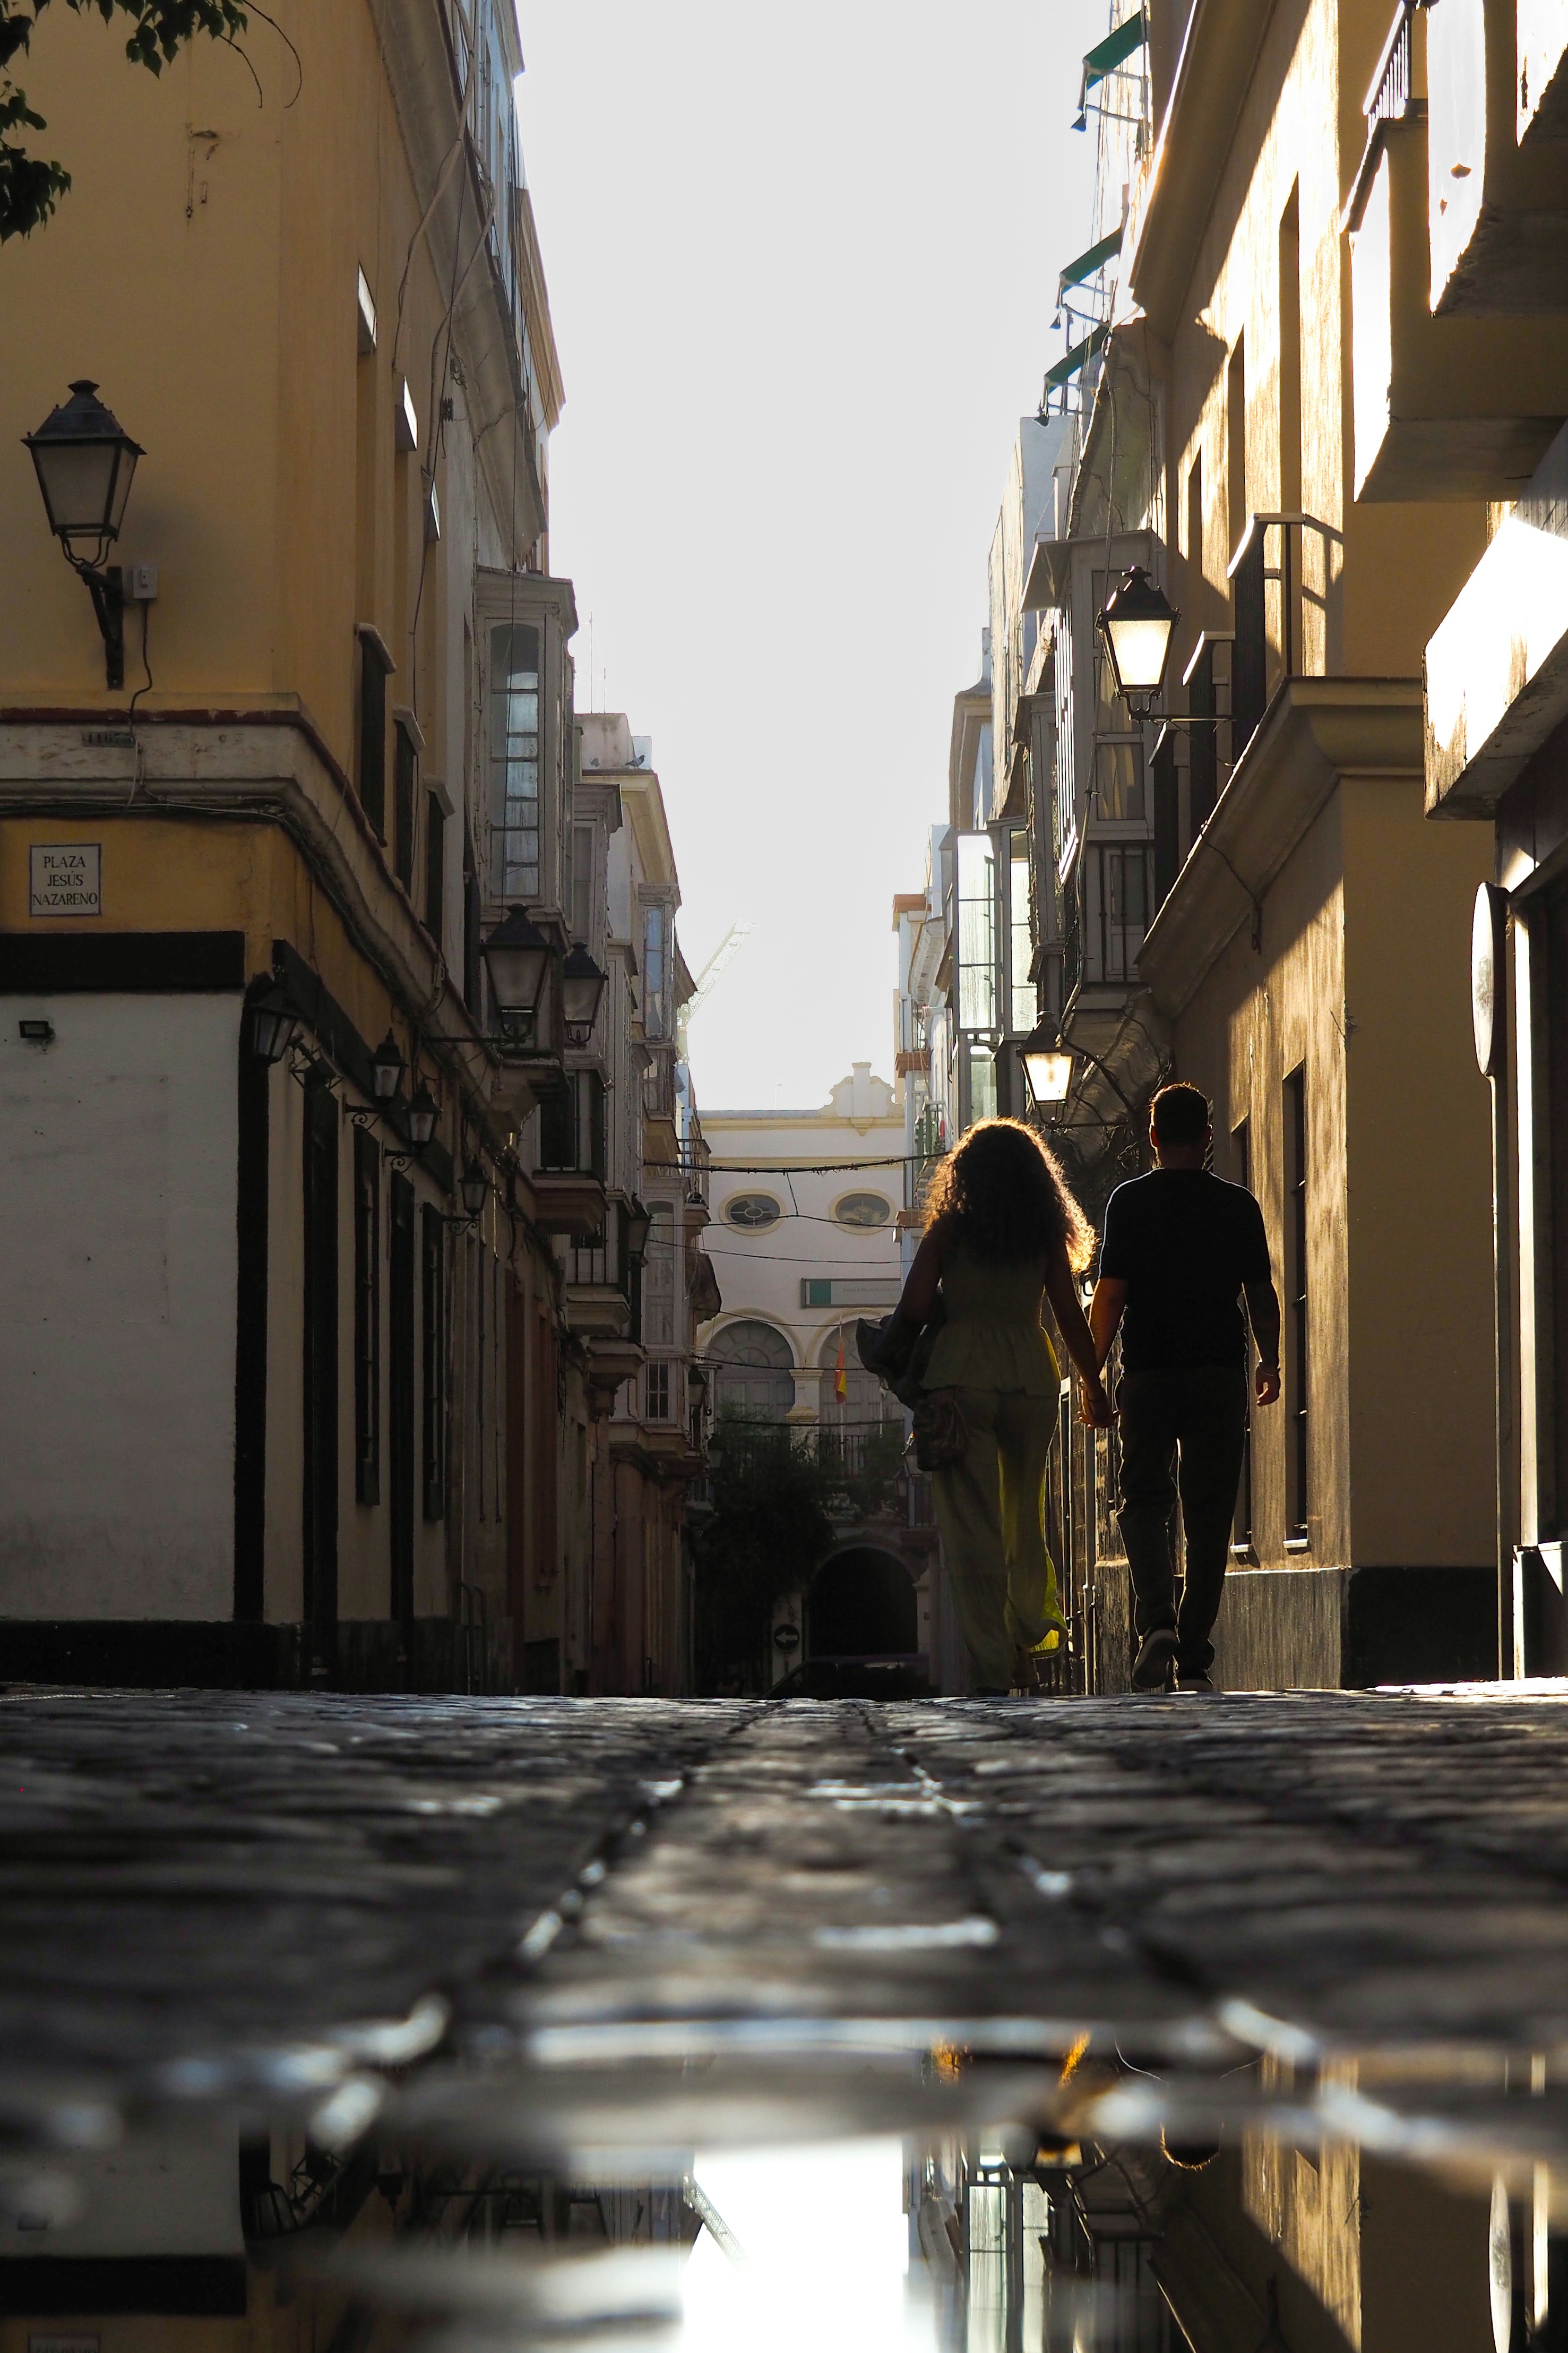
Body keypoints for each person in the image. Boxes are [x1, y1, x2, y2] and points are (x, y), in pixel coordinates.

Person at [897, 1118, 1111, 1696]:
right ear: (1034, 1177)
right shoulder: (1041, 1233)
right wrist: (1093, 1385)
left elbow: (915, 1305)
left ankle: (993, 1662)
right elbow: (1069, 1317)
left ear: (962, 1174)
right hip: (1030, 1381)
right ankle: (1026, 1640)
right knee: (1024, 1518)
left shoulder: (948, 1231)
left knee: (974, 1528)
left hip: (961, 1378)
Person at [1089, 1081, 1282, 1695]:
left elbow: (1111, 1297)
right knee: (1208, 1514)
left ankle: (1157, 1623)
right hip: (1216, 1375)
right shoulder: (1238, 1205)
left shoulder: (1127, 1202)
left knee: (1143, 1500)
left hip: (1146, 1375)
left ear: (1151, 1139)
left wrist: (1092, 1372)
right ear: (1206, 1137)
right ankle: (1193, 1648)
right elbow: (1259, 1294)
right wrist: (1268, 1360)